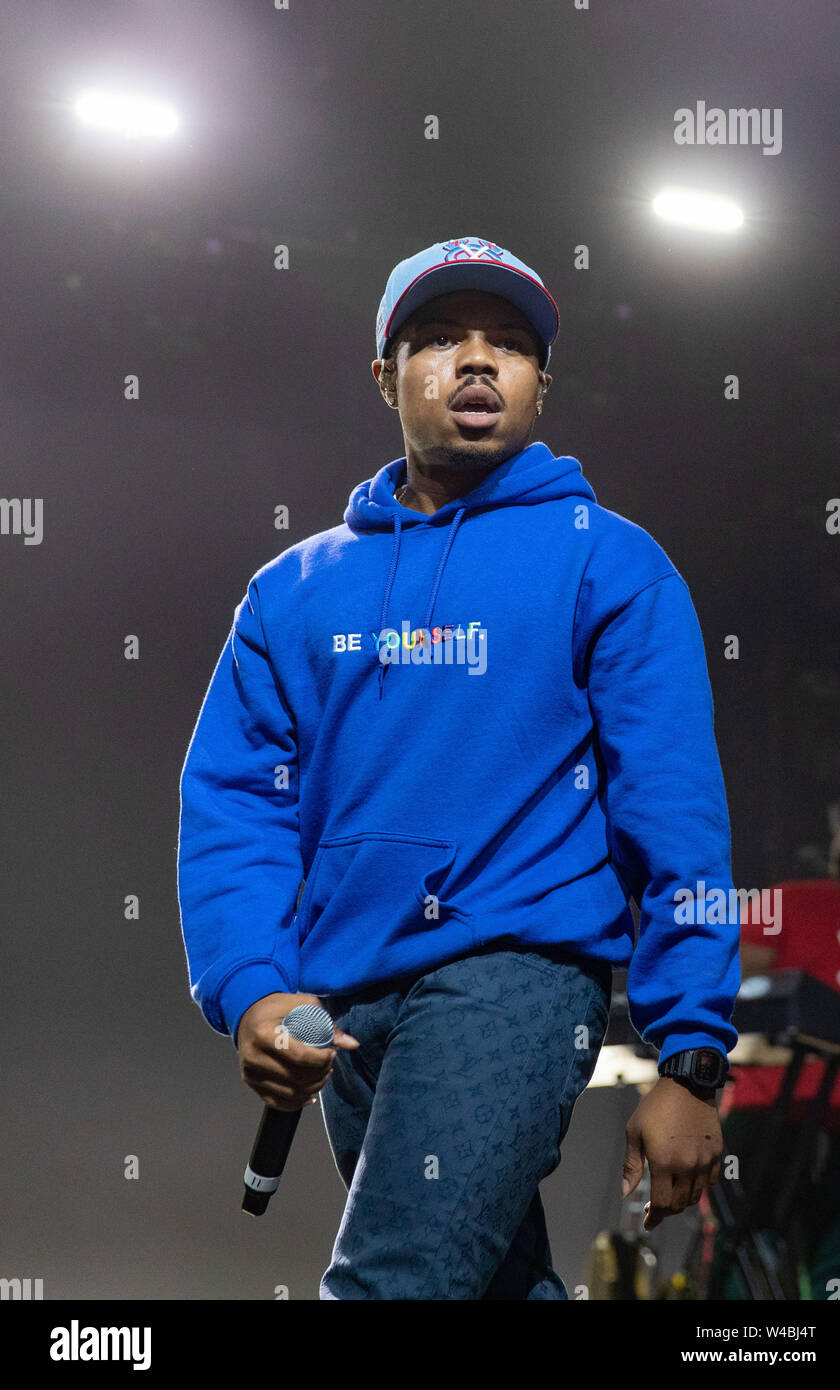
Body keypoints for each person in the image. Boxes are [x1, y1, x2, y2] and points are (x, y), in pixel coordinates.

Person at [177, 234, 740, 1299]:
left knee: (393, 1284)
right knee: (487, 1286)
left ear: (538, 385)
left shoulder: (609, 560)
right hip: (341, 1006)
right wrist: (252, 986)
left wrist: (691, 1060)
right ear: (387, 376)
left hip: (513, 981)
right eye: (438, 339)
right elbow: (235, 803)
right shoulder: (290, 590)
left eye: (508, 345)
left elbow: (676, 820)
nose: (476, 362)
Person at [714, 801, 840, 1299]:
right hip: (773, 1114)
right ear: (835, 849)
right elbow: (737, 1001)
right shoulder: (792, 901)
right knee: (747, 1257)